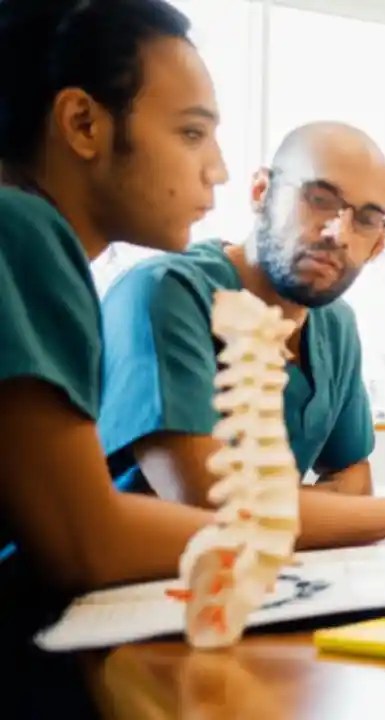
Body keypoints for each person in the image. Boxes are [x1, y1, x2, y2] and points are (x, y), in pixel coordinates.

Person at [98, 122, 385, 548]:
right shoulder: (164, 293)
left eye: (365, 220)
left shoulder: (335, 324)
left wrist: (272, 507)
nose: (338, 235)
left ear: (378, 245)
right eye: (319, 200)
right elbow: (211, 506)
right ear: (261, 193)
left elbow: (353, 480)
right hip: (133, 589)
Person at [0, 0, 225, 713]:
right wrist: (277, 537)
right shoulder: (22, 226)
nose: (215, 170)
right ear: (82, 124)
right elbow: (84, 540)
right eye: (192, 133)